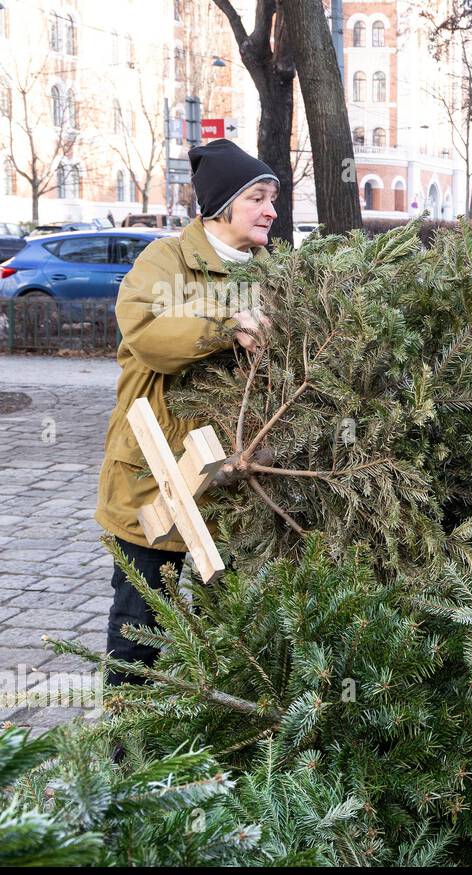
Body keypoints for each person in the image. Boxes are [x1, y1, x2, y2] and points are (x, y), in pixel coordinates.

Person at [95, 138, 277, 686]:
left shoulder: (277, 272)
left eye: (274, 199)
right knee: (141, 629)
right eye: (259, 198)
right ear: (222, 206)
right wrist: (228, 323)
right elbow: (149, 335)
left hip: (242, 484)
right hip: (159, 483)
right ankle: (126, 761)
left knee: (235, 638)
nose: (272, 210)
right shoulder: (165, 260)